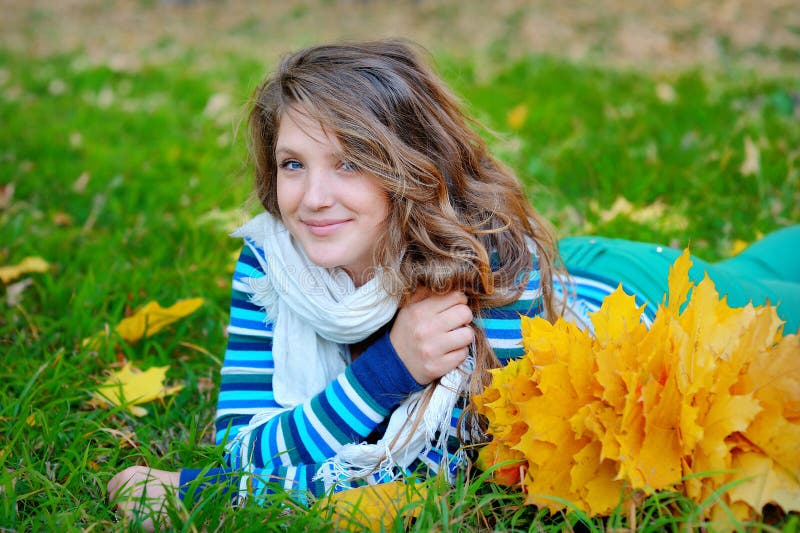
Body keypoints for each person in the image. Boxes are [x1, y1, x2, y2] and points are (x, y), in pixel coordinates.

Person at [107, 39, 800, 528]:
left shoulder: (478, 270)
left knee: (772, 288)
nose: (313, 197)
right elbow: (244, 449)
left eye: (349, 163)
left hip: (637, 302)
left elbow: (459, 474)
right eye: (293, 164)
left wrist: (204, 493)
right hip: (570, 270)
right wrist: (388, 372)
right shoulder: (276, 263)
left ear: (410, 167)